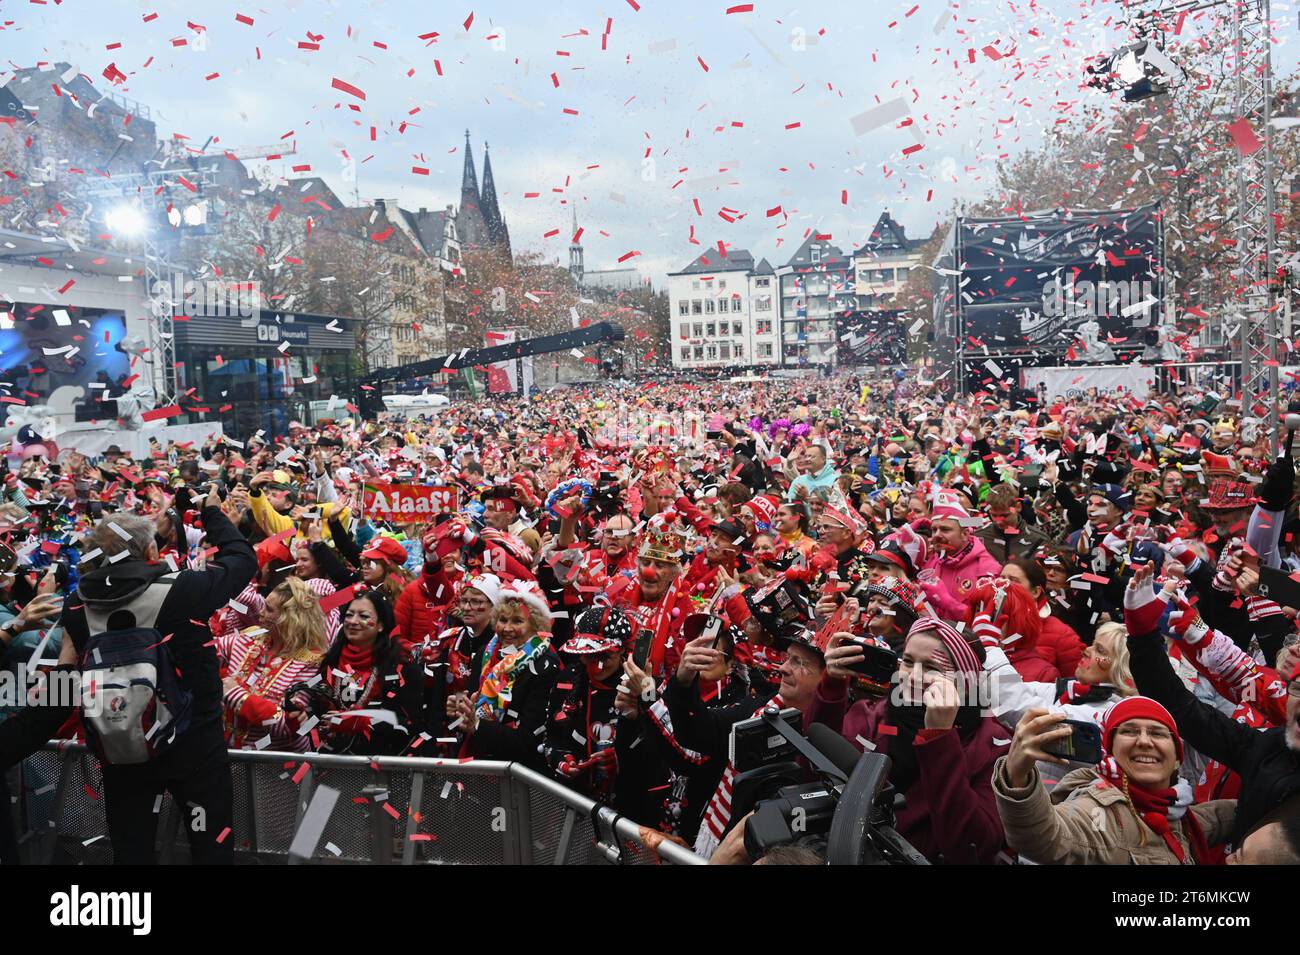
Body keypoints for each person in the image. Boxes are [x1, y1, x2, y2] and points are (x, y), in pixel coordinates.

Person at [59, 487, 257, 864]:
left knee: (132, 852)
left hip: (122, 748)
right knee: (210, 848)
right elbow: (242, 560)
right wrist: (213, 514)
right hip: (195, 748)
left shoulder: (75, 608)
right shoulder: (182, 589)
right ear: (151, 552)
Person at [1123, 562, 1300, 846]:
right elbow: (1184, 709)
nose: (1294, 646)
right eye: (1297, 688)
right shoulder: (1268, 746)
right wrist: (1143, 638)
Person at [813, 615, 1007, 864]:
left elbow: (974, 847)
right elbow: (815, 773)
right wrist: (831, 686)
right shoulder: (873, 714)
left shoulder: (993, 745)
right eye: (908, 661)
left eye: (931, 668)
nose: (913, 677)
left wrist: (939, 738)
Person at [993, 697, 1235, 864]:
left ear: (1176, 759)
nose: (1144, 741)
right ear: (1110, 750)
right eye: (1129, 731)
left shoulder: (1178, 813)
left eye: (1157, 733)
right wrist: (1016, 776)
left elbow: (1219, 818)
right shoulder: (1100, 808)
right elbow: (1046, 837)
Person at [447, 579, 560, 769]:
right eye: (503, 620)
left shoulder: (546, 665)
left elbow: (529, 739)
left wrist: (477, 725)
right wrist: (458, 713)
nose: (507, 629)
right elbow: (469, 722)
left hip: (521, 774)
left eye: (517, 621)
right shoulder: (485, 654)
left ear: (535, 625)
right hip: (478, 764)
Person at [216, 577, 329, 752]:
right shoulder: (252, 636)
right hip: (230, 755)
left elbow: (287, 724)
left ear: (290, 618)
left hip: (273, 768)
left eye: (269, 609)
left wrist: (236, 694)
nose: (260, 612)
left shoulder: (311, 662)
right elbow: (208, 653)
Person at [314, 589, 423, 756]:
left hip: (380, 768)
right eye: (349, 615)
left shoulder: (402, 669)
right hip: (328, 764)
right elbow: (314, 715)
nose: (353, 621)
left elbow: (409, 726)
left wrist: (362, 722)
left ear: (381, 625)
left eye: (363, 616)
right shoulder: (329, 663)